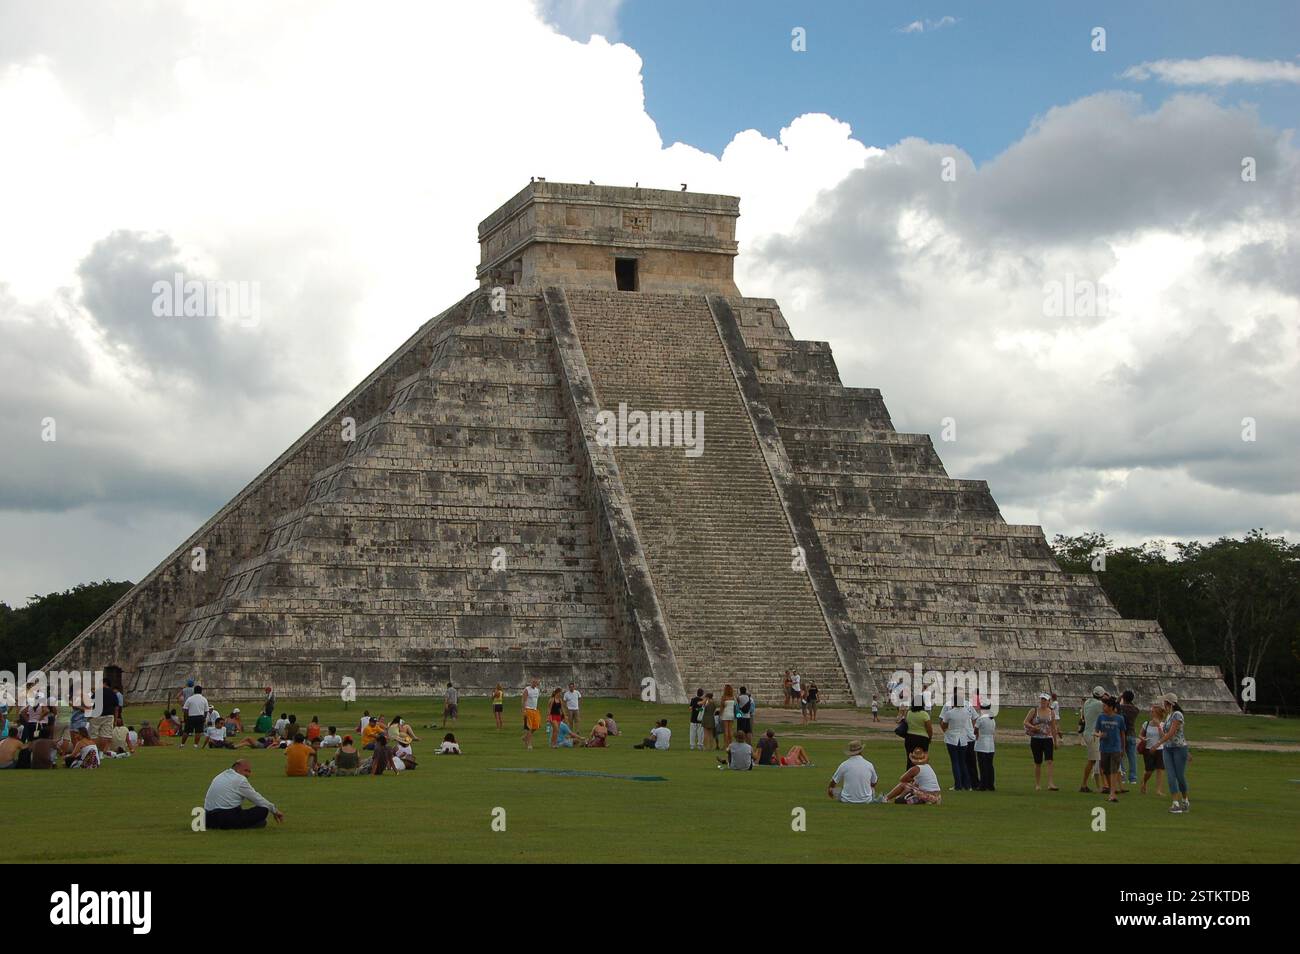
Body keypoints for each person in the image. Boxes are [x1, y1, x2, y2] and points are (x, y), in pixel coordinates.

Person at [204, 759, 284, 829]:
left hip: (207, 818)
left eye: (249, 771)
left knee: (238, 809)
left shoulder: (220, 775)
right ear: (237, 769)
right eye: (246, 770)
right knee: (263, 810)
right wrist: (275, 811)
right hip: (225, 818)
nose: (248, 774)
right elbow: (257, 799)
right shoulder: (240, 779)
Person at [1156, 693, 1190, 813]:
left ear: (1169, 703)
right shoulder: (1169, 716)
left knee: (1179, 776)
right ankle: (1175, 803)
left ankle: (1185, 799)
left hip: (1179, 749)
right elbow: (1166, 734)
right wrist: (1158, 727)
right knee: (1170, 776)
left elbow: (1172, 733)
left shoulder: (1177, 715)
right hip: (1168, 748)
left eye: (1165, 703)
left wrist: (1157, 744)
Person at [1024, 692, 1060, 791]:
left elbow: (1053, 727)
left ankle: (1050, 783)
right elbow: (1025, 722)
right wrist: (1033, 727)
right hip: (1036, 738)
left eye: (1045, 700)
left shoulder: (1051, 712)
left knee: (1049, 761)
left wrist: (1055, 741)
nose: (1043, 701)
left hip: (1047, 739)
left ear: (1049, 701)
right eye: (1041, 699)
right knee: (1038, 762)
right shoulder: (1034, 710)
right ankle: (1038, 784)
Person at [1095, 696, 1127, 802]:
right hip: (1104, 748)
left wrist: (1123, 748)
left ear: (1111, 707)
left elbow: (1123, 734)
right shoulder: (1101, 717)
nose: (1103, 707)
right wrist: (1100, 735)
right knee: (1106, 770)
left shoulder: (1119, 719)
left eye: (1105, 705)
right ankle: (1111, 789)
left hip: (1115, 748)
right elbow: (1096, 731)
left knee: (1114, 771)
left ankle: (1113, 793)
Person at [939, 692, 974, 791]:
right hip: (963, 738)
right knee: (962, 762)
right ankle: (967, 785)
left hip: (952, 738)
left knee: (955, 762)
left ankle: (958, 785)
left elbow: (943, 724)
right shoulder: (966, 712)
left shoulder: (949, 713)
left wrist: (947, 730)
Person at [1079, 686, 1106, 792]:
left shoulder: (1087, 702)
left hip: (1087, 732)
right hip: (1094, 734)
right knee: (1093, 760)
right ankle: (1087, 785)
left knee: (1094, 760)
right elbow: (1109, 709)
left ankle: (1090, 784)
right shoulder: (1099, 704)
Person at [1139, 703, 1166, 795]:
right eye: (1151, 711)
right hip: (1148, 749)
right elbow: (1140, 735)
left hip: (1160, 749)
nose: (1151, 713)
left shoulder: (1163, 724)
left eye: (1153, 711)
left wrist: (1158, 726)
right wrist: (1142, 738)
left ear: (1158, 713)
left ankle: (1158, 790)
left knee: (1160, 770)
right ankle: (1144, 782)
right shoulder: (1146, 724)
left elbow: (1164, 737)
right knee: (1149, 770)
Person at [902, 699, 933, 770]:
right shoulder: (924, 714)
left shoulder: (909, 713)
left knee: (910, 759)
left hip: (910, 737)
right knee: (922, 759)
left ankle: (909, 776)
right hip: (922, 738)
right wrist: (930, 738)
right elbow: (929, 729)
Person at [1118, 690, 1141, 786]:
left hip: (1121, 734)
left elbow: (1115, 706)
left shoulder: (1120, 708)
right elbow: (1133, 706)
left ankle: (1122, 776)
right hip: (1131, 734)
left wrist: (1119, 698)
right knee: (1132, 757)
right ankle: (1133, 778)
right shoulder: (1135, 710)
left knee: (1121, 756)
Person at [973, 703, 996, 791]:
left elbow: (975, 730)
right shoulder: (992, 719)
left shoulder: (980, 719)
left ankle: (983, 785)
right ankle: (990, 784)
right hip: (990, 744)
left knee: (982, 766)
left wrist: (977, 733)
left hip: (982, 743)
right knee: (990, 765)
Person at [179, 684, 209, 749]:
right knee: (198, 732)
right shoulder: (204, 699)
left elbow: (185, 709)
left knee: (186, 731)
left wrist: (186, 717)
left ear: (194, 691)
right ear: (201, 691)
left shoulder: (190, 699)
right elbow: (206, 710)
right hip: (200, 716)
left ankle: (182, 744)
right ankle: (195, 745)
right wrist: (204, 717)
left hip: (191, 716)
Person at [521, 677, 542, 750]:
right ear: (531, 682)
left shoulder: (537, 690)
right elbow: (523, 700)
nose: (534, 684)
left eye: (536, 682)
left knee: (537, 726)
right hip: (528, 709)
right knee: (529, 728)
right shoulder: (527, 689)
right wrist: (524, 710)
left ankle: (525, 737)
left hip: (535, 710)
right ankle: (529, 744)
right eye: (533, 682)